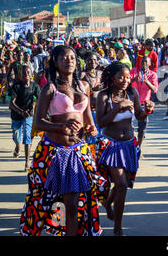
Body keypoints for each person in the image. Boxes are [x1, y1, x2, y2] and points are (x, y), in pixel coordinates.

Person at [20, 45, 105, 236]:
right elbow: (38, 123)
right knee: (42, 201)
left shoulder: (84, 86)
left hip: (77, 151)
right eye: (64, 58)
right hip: (53, 152)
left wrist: (91, 129)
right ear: (55, 63)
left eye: (72, 58)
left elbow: (88, 119)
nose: (69, 61)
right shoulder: (49, 88)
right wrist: (61, 127)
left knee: (74, 204)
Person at [95, 61, 154, 236]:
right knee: (120, 184)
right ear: (112, 78)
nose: (125, 80)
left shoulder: (132, 92)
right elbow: (100, 122)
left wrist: (147, 110)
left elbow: (139, 115)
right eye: (121, 77)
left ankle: (107, 203)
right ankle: (117, 228)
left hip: (129, 145)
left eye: (128, 77)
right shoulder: (103, 96)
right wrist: (117, 108)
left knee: (124, 184)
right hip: (111, 145)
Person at [9, 65, 40, 170]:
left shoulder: (35, 86)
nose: (26, 75)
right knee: (16, 136)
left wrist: (36, 108)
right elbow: (11, 104)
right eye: (23, 73)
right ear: (20, 75)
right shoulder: (16, 86)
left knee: (27, 136)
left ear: (31, 74)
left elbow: (40, 100)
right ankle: (17, 146)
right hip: (16, 115)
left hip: (28, 115)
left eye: (28, 72)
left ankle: (27, 161)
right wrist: (21, 112)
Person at [130, 56, 159, 150]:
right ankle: (131, 145)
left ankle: (138, 147)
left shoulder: (153, 75)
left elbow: (155, 89)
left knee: (142, 128)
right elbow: (126, 83)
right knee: (129, 125)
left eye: (146, 62)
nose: (144, 63)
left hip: (144, 104)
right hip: (132, 103)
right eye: (142, 61)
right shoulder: (134, 71)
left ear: (150, 64)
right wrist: (134, 79)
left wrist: (147, 82)